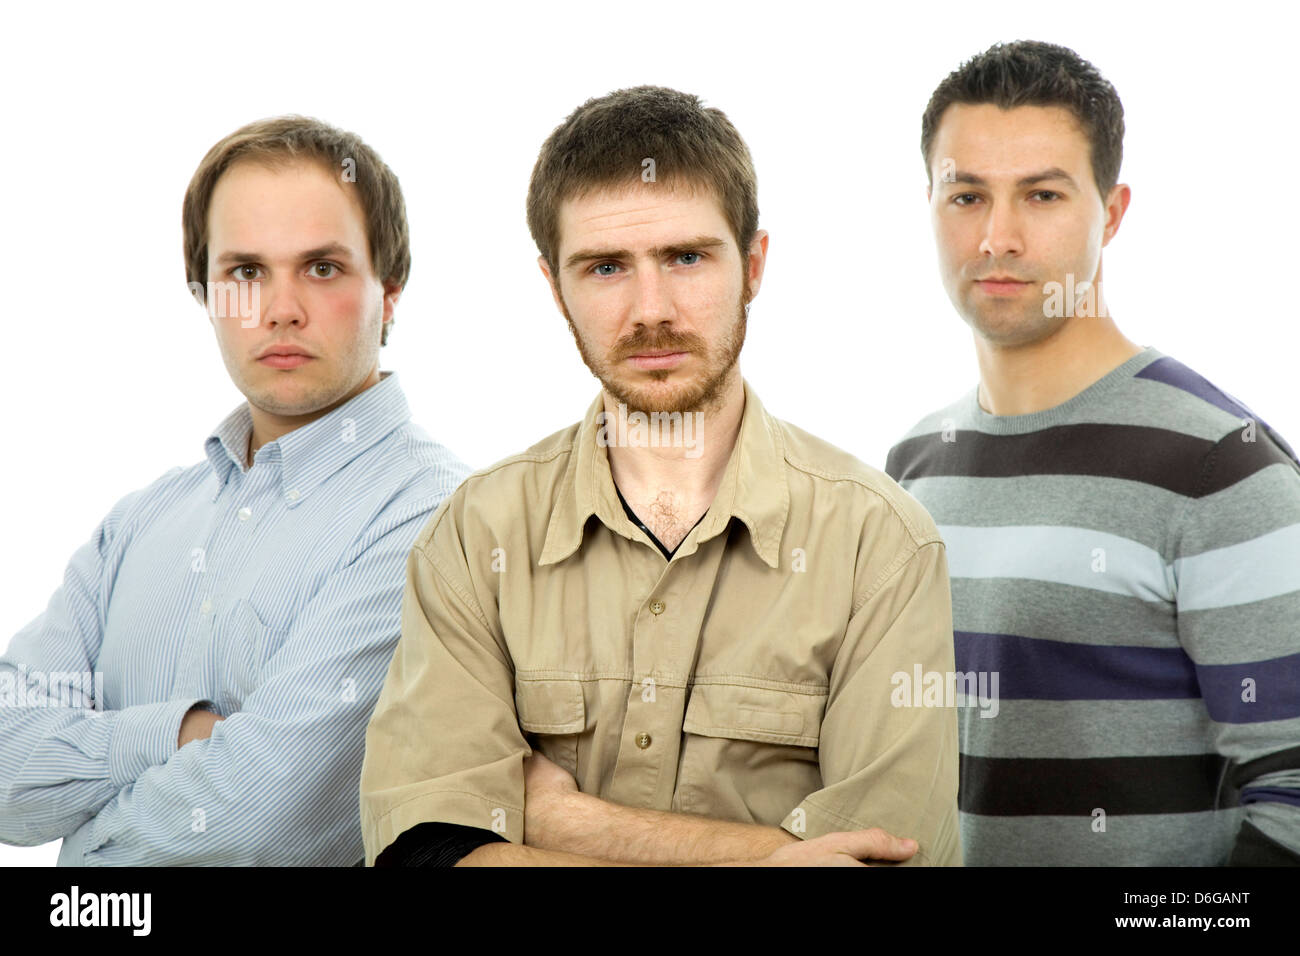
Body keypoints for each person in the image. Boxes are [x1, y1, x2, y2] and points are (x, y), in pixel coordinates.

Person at [360, 86, 961, 867]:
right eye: (606, 267)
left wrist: (568, 823)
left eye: (686, 257)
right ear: (555, 290)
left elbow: (886, 861)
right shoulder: (476, 535)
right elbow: (426, 852)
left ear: (753, 266)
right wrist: (764, 858)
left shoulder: (880, 544)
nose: (652, 310)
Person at [0, 116, 470, 865]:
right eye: (246, 273)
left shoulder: (438, 518)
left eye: (321, 268)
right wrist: (178, 734)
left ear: (390, 290)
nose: (280, 308)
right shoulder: (139, 522)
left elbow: (257, 824)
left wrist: (82, 856)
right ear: (207, 293)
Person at [886, 40, 1300, 865]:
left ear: (1111, 213)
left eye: (1041, 195)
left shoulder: (1223, 468)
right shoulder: (912, 466)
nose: (997, 237)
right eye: (966, 195)